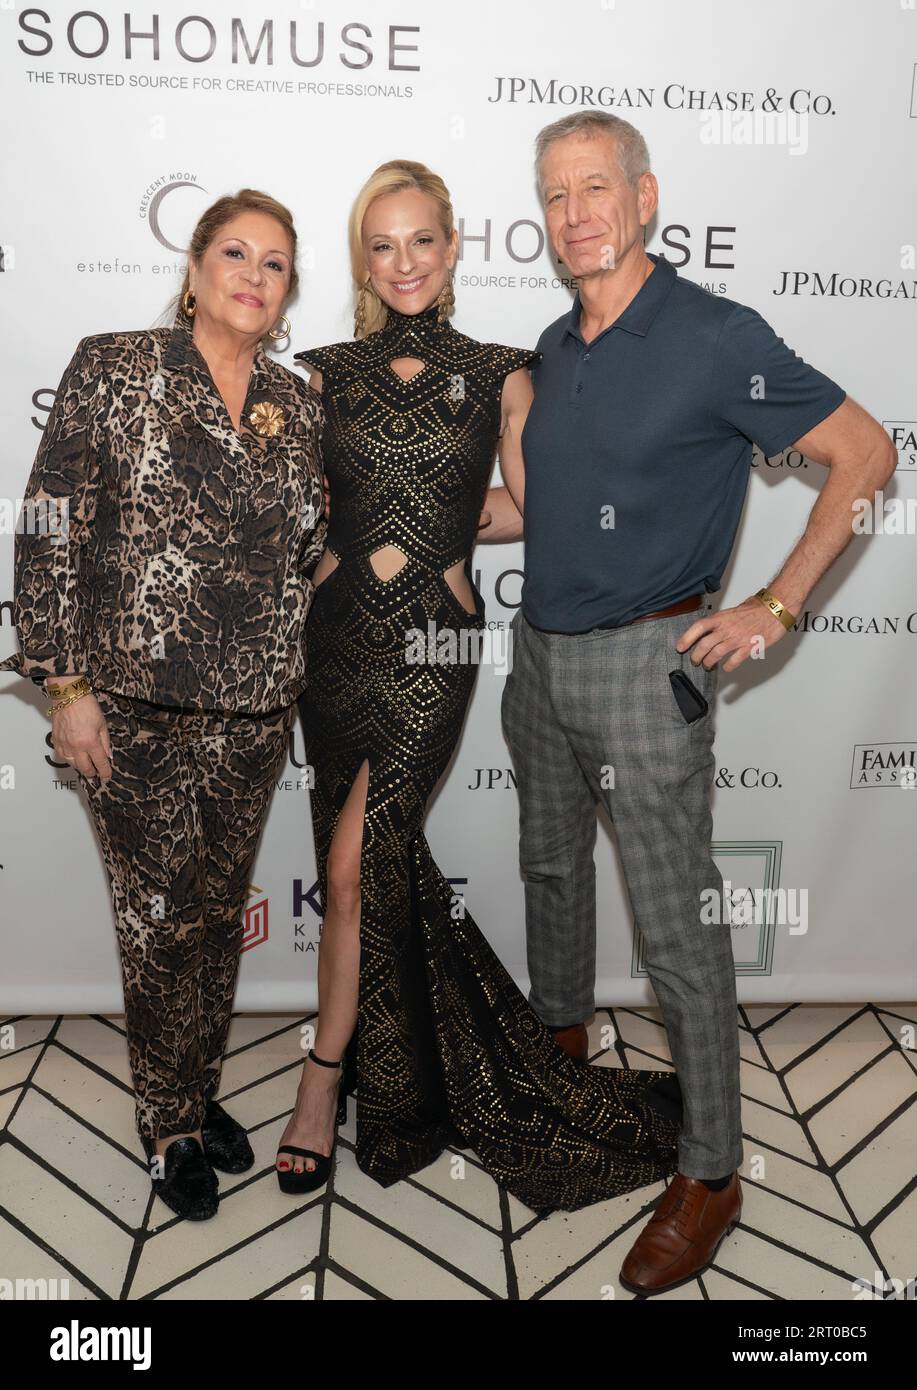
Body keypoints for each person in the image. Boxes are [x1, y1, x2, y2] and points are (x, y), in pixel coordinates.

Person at [497, 111, 897, 1288]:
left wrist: (774, 605)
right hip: (537, 659)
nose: (574, 213)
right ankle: (563, 1061)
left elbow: (866, 452)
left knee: (676, 933)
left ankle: (711, 1171)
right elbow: (544, 510)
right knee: (549, 873)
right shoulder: (555, 345)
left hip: (644, 665)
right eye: (553, 193)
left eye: (593, 188)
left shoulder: (717, 337)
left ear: (643, 195)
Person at [273, 159, 685, 1214]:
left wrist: (441, 530)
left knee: (361, 857)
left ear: (453, 248)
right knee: (358, 861)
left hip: (432, 649)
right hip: (335, 646)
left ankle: (324, 1084)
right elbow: (299, 510)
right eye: (382, 244)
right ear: (362, 260)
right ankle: (386, 1062)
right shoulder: (319, 372)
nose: (404, 260)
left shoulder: (503, 370)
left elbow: (529, 505)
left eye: (422, 240)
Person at [0, 190, 327, 1221]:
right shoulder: (112, 366)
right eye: (234, 251)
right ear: (192, 268)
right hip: (126, 704)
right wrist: (64, 687)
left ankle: (193, 1085)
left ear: (286, 292)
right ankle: (169, 1124)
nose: (253, 273)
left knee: (213, 914)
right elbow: (49, 523)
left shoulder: (297, 398)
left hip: (253, 708)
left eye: (275, 263)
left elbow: (307, 542)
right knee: (153, 917)